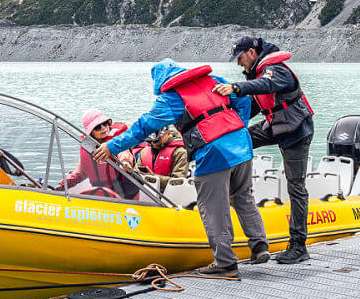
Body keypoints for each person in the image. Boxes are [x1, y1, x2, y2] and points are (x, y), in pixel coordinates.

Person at [93, 59, 270, 277]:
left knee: (213, 207)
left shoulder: (171, 98)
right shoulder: (213, 80)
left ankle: (226, 263)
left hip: (214, 151)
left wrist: (111, 146)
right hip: (241, 143)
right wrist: (237, 126)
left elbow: (143, 127)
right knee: (243, 196)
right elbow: (243, 99)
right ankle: (260, 247)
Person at [213, 36, 314, 264]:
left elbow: (266, 85)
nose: (239, 63)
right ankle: (235, 187)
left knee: (296, 187)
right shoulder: (259, 72)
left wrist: (236, 88)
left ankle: (299, 246)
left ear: (251, 52)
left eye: (240, 58)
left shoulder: (275, 70)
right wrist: (225, 123)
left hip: (297, 131)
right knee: (242, 138)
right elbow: (256, 105)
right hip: (277, 125)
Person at [57, 109, 139, 199]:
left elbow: (124, 152)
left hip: (126, 191)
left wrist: (125, 162)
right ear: (91, 132)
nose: (103, 128)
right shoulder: (88, 147)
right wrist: (62, 185)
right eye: (97, 127)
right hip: (102, 193)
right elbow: (81, 173)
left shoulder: (116, 140)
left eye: (105, 124)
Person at [133, 125, 189, 191]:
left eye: (157, 141)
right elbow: (136, 174)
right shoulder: (143, 151)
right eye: (151, 141)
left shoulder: (180, 152)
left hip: (168, 194)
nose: (154, 144)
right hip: (146, 193)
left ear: (168, 133)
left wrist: (153, 178)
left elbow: (178, 182)